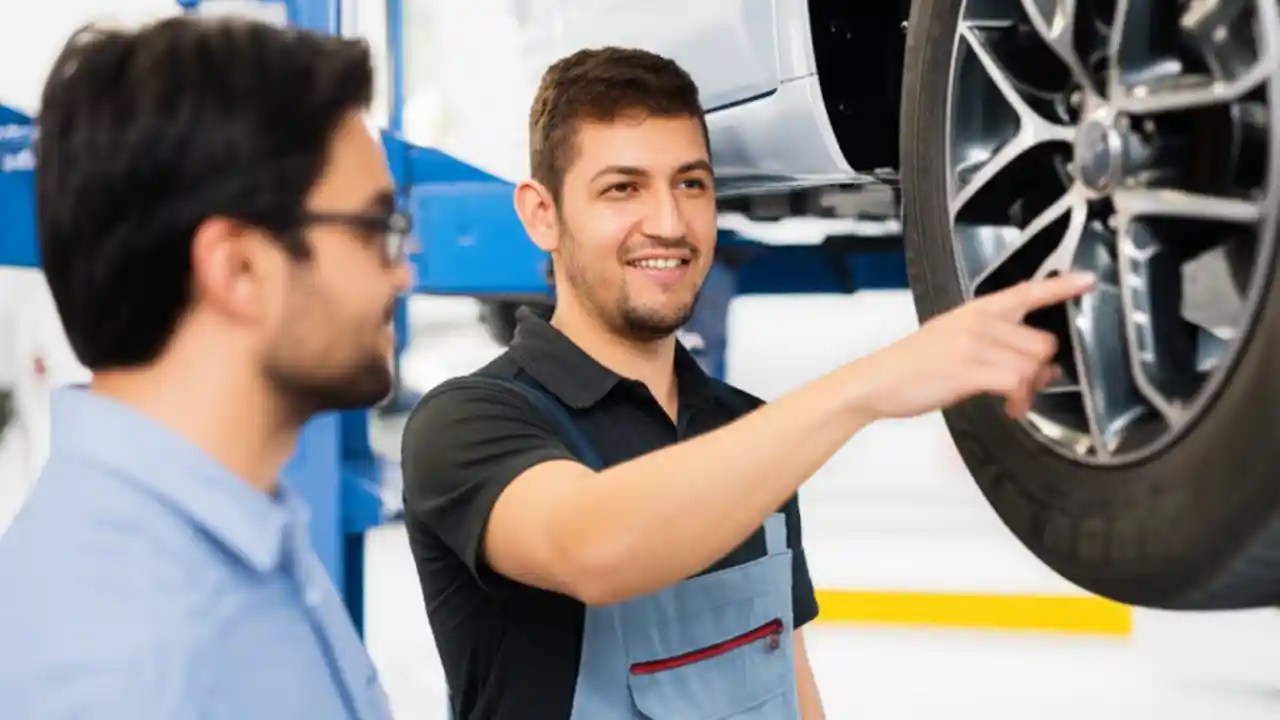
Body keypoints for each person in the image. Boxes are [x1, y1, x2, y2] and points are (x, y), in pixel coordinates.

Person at [400, 47, 1093, 720]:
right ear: (541, 214)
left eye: (691, 184)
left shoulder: (746, 431)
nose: (669, 224)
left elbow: (786, 685)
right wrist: (873, 383)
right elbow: (592, 547)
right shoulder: (469, 423)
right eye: (622, 188)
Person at [0, 16, 412, 719]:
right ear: (239, 267)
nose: (401, 276)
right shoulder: (123, 665)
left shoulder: (236, 530)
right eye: (375, 230)